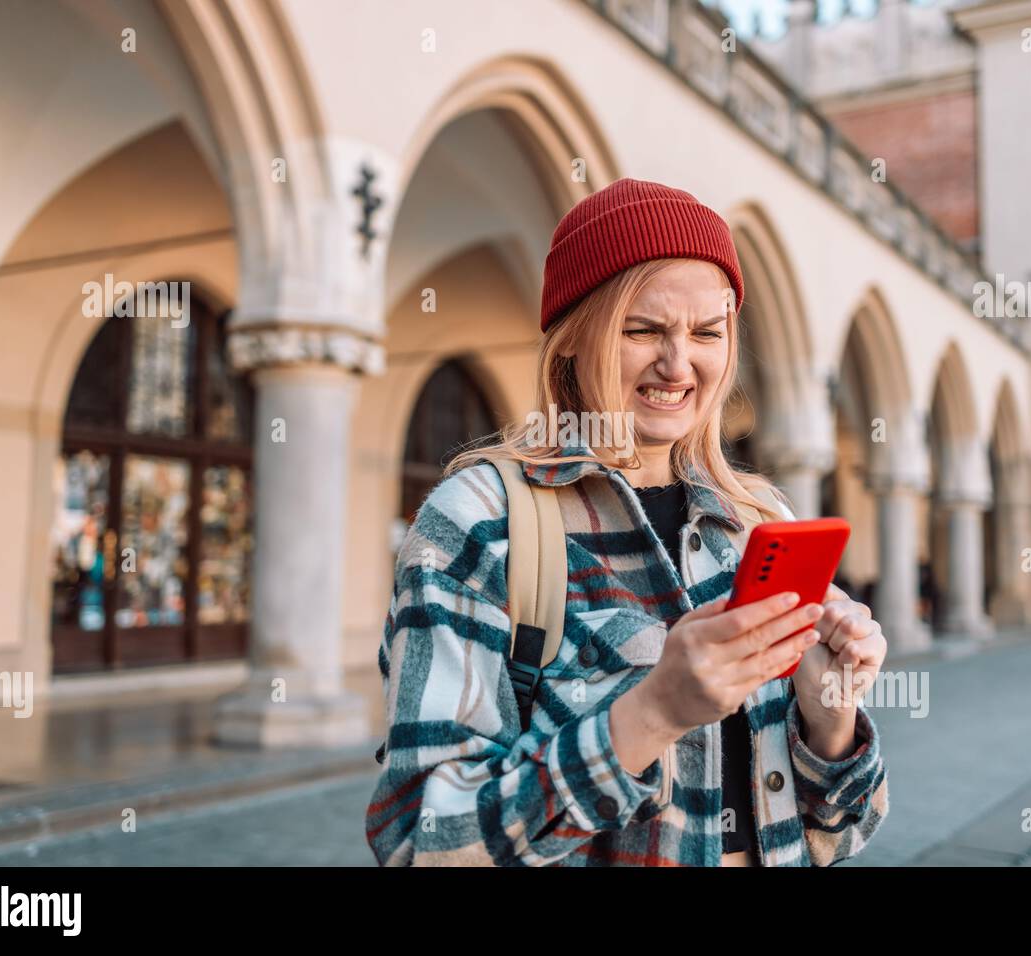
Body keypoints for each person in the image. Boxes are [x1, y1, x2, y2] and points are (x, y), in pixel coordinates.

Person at [366, 178, 889, 867]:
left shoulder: (760, 520)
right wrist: (653, 714)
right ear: (574, 340)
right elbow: (418, 841)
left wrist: (831, 714)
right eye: (643, 330)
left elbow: (836, 836)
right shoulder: (481, 520)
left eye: (708, 332)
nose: (678, 364)